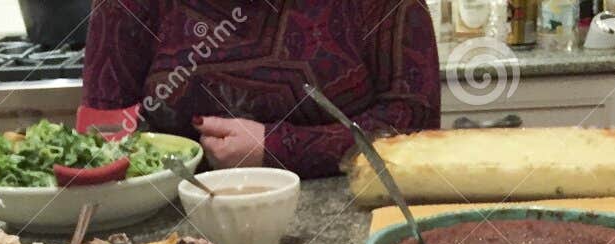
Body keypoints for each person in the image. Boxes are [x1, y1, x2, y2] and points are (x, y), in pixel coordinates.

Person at [80, 0, 441, 181]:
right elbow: (101, 139)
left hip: (351, 215)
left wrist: (280, 148)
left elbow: (415, 123)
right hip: (172, 232)